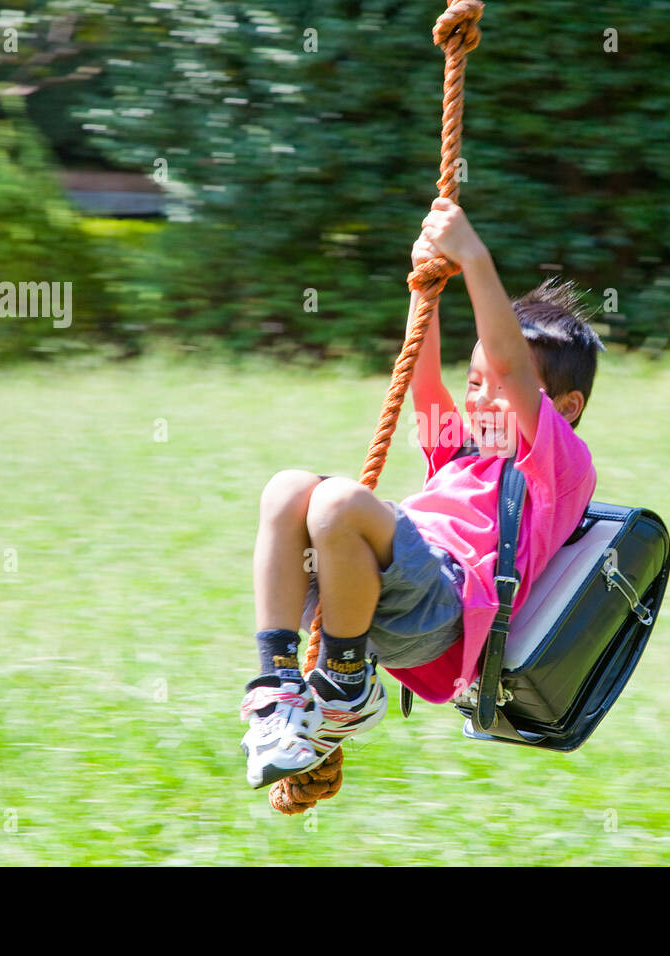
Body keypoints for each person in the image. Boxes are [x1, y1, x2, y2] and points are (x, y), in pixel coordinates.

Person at [240, 197, 605, 788]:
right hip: (384, 596)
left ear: (564, 409)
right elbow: (425, 376)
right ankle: (280, 681)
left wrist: (475, 257)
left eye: (503, 388)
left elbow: (512, 367)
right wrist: (426, 285)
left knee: (337, 502)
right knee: (287, 490)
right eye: (475, 383)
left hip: (447, 610)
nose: (483, 398)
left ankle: (345, 682)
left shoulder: (557, 470)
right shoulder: (460, 449)